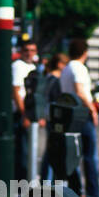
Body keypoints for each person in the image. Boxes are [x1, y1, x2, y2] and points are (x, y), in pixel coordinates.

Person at [59, 38, 99, 197]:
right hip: (81, 114)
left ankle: (76, 191)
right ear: (85, 52)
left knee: (73, 155)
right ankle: (93, 194)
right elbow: (80, 91)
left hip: (69, 115)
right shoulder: (79, 68)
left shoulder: (66, 69)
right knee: (90, 156)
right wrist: (92, 109)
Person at [11, 40, 38, 180]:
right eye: (26, 50)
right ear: (21, 51)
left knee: (28, 149)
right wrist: (24, 114)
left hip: (30, 113)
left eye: (32, 50)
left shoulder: (33, 67)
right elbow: (16, 91)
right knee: (22, 150)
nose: (29, 53)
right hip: (20, 113)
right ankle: (21, 181)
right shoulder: (17, 66)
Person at [38, 52, 67, 181]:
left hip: (48, 117)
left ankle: (46, 179)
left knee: (50, 150)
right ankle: (48, 179)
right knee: (54, 151)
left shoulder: (47, 78)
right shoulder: (57, 80)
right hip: (55, 119)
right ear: (60, 65)